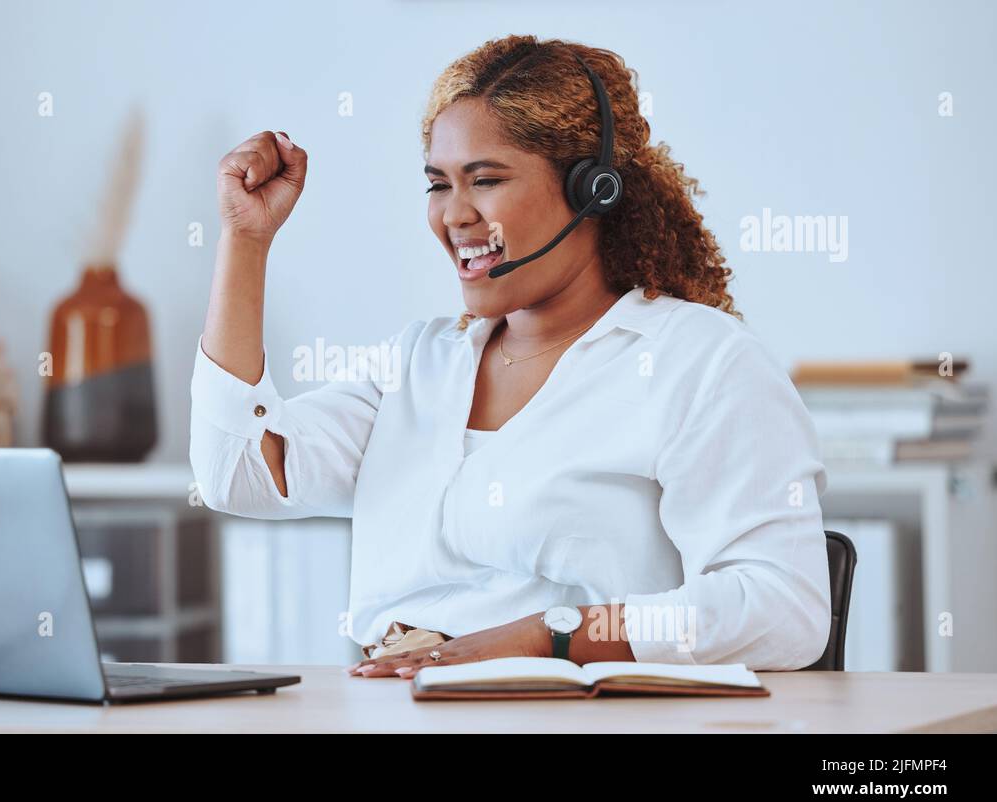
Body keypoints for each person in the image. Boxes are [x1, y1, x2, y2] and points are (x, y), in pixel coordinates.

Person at [189, 35, 831, 678]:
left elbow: (782, 609)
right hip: (398, 710)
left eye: (487, 180)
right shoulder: (418, 363)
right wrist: (245, 240)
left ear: (592, 191)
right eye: (438, 185)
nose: (455, 215)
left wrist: (549, 635)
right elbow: (238, 472)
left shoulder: (699, 361)